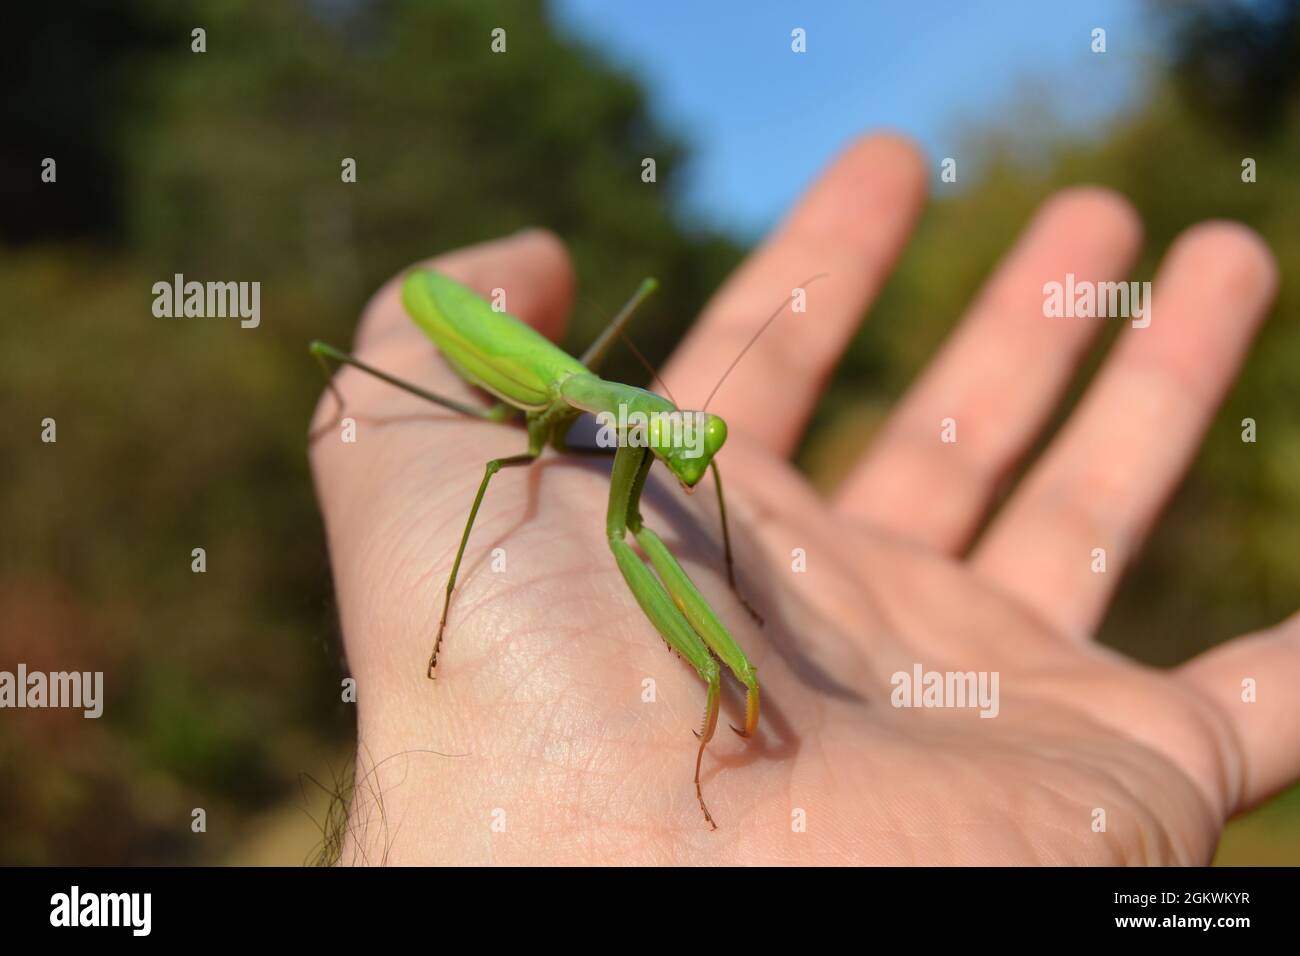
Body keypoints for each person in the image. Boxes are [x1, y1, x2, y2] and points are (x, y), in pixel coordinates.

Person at [310, 134, 1290, 865]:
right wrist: (444, 622)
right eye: (673, 443)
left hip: (581, 398)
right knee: (483, 455)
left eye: (693, 444)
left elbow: (675, 474)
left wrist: (722, 547)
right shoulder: (577, 412)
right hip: (492, 377)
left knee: (637, 535)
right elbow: (551, 486)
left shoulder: (646, 427)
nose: (691, 467)